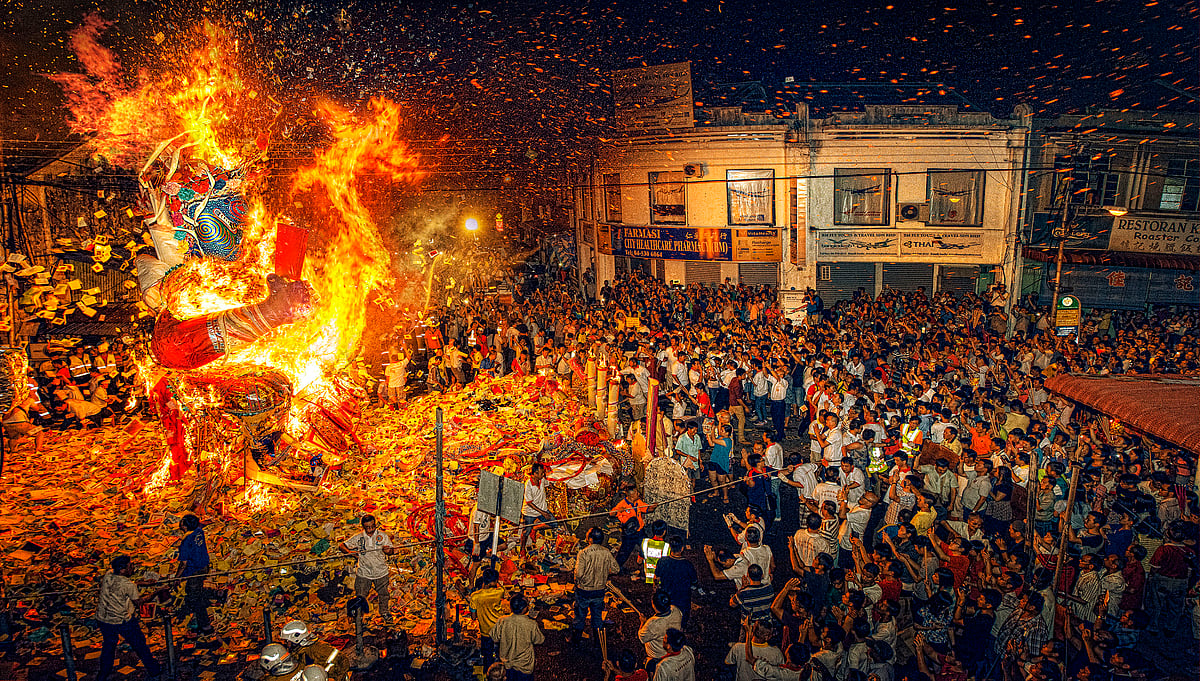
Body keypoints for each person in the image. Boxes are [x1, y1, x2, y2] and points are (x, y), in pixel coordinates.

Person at [95, 554, 161, 681]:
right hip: (121, 620)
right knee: (139, 644)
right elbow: (139, 602)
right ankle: (154, 670)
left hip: (103, 619)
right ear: (122, 570)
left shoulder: (108, 575)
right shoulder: (129, 585)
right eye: (130, 566)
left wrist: (142, 583)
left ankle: (103, 674)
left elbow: (121, 585)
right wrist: (157, 591)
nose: (133, 568)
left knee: (109, 646)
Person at [338, 513, 396, 625]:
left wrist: (388, 551)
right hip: (364, 573)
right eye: (367, 527)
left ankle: (384, 612)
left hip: (381, 572)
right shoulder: (358, 537)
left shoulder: (382, 536)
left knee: (384, 595)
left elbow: (392, 551)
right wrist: (350, 552)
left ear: (375, 525)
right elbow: (342, 546)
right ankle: (359, 617)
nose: (370, 530)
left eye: (372, 527)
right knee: (360, 596)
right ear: (363, 527)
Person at [571, 527, 619, 652]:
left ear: (589, 539)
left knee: (580, 616)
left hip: (584, 590)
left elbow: (579, 574)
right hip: (599, 590)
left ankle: (576, 642)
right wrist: (604, 572)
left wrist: (577, 581)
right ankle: (598, 644)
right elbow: (616, 569)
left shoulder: (583, 553)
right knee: (597, 617)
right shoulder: (606, 552)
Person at [175, 513, 218, 635]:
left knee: (195, 598)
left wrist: (177, 578)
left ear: (184, 526)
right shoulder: (199, 532)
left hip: (194, 571)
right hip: (204, 566)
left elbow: (183, 564)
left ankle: (205, 626)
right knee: (196, 591)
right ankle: (212, 595)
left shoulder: (186, 541)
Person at [492, 593, 545, 681]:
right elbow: (539, 640)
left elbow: (494, 637)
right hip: (524, 665)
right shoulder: (531, 624)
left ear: (510, 607)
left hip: (507, 664)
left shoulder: (502, 621)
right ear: (525, 608)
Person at [281, 619, 351, 681]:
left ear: (296, 639)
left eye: (287, 641)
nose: (286, 643)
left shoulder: (319, 649)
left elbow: (343, 661)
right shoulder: (300, 651)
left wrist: (329, 676)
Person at [653, 536, 697, 630]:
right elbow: (694, 580)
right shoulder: (687, 565)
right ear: (682, 548)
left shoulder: (662, 561)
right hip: (682, 598)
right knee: (682, 620)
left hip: (667, 596)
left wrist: (656, 591)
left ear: (670, 547)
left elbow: (656, 578)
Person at [610, 487, 658, 572]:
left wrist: (653, 507)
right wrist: (619, 510)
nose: (638, 494)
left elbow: (647, 509)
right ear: (631, 496)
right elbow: (611, 513)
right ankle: (616, 568)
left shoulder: (638, 502)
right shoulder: (622, 504)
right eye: (636, 493)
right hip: (629, 533)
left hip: (640, 531)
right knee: (624, 552)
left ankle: (644, 562)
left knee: (646, 546)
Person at [470, 568, 507, 668]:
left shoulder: (475, 596)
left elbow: (473, 617)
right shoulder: (500, 592)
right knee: (501, 654)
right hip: (499, 628)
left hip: (485, 631)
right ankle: (501, 671)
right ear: (495, 581)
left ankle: (488, 672)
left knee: (487, 655)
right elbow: (500, 587)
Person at [518, 463, 558, 550]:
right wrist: (543, 513)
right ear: (535, 474)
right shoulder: (528, 485)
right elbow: (529, 503)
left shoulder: (541, 480)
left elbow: (548, 484)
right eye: (541, 473)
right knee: (526, 532)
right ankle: (522, 548)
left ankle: (535, 528)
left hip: (542, 509)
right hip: (530, 512)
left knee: (554, 524)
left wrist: (556, 488)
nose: (543, 474)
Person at [638, 591, 683, 670]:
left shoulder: (652, 624)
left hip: (658, 656)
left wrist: (643, 622)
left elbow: (642, 638)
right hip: (673, 650)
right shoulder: (675, 610)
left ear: (653, 605)